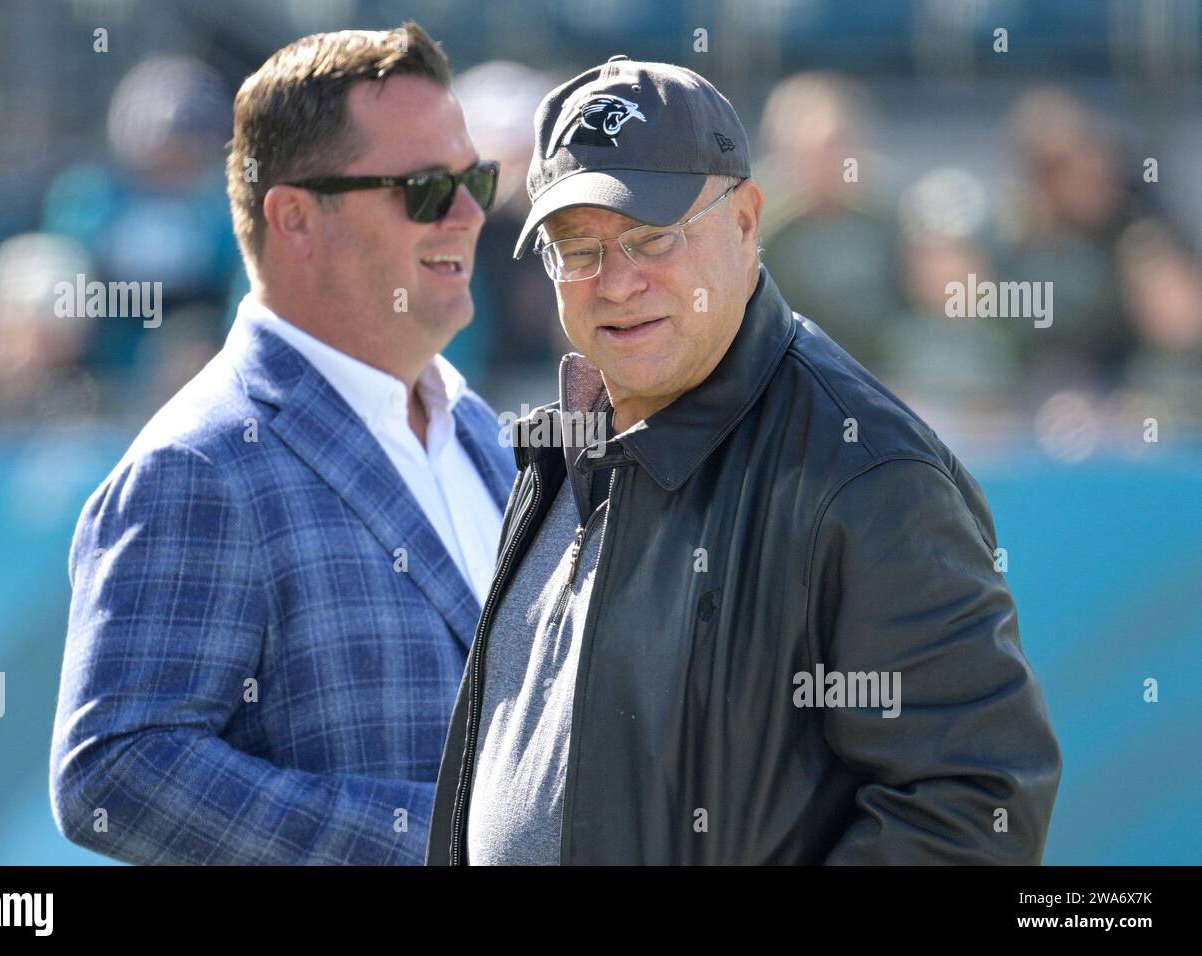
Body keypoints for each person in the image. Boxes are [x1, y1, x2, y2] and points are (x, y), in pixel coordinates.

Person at [426, 55, 1062, 865]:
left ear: (747, 221)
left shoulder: (868, 473)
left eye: (653, 237)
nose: (616, 282)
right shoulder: (561, 449)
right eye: (577, 249)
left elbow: (974, 808)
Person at [50, 23, 514, 865]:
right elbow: (113, 773)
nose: (470, 211)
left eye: (474, 177)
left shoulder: (480, 433)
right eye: (424, 186)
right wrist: (450, 841)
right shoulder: (198, 464)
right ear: (295, 217)